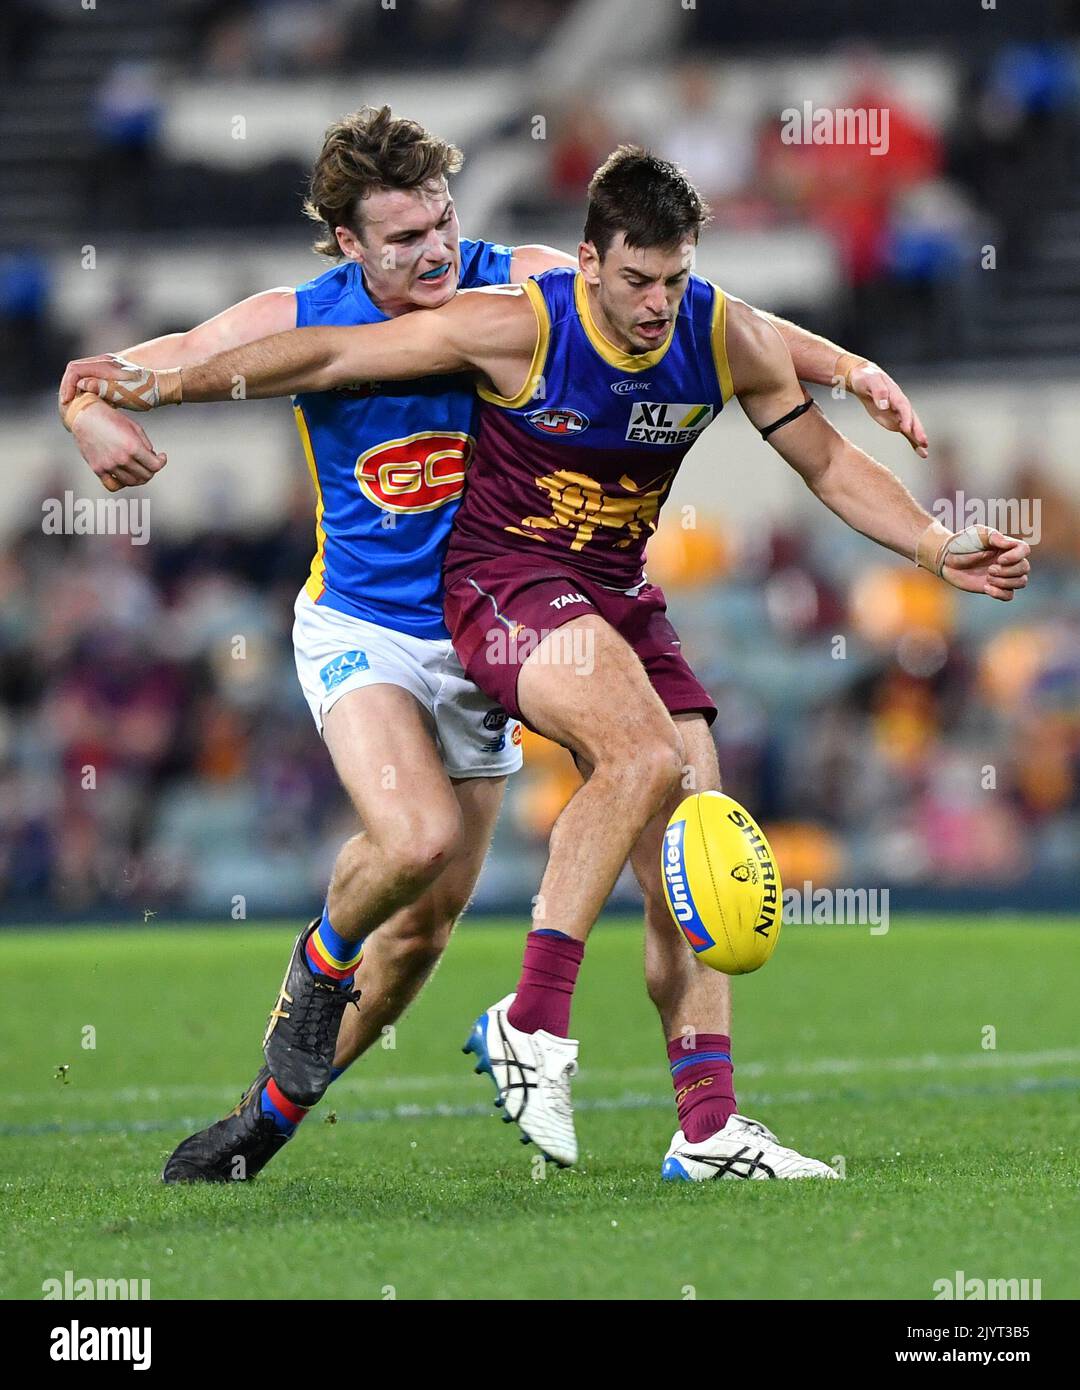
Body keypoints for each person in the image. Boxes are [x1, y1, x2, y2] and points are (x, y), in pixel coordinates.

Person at [62, 137, 946, 1183]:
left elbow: (704, 306)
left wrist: (840, 362)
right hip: (373, 629)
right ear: (348, 242)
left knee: (433, 931)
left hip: (504, 619)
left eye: (443, 220)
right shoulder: (300, 318)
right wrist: (88, 404)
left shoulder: (521, 283)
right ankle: (333, 966)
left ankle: (269, 1118)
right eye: (403, 238)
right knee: (420, 837)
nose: (436, 249)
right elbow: (163, 363)